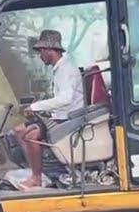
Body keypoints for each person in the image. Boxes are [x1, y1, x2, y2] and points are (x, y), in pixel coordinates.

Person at [12, 29, 85, 189]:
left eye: (41, 52)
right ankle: (35, 170)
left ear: (49, 50)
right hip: (59, 116)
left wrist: (35, 106)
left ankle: (36, 178)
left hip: (69, 120)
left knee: (30, 135)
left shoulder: (66, 70)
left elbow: (66, 99)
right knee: (18, 130)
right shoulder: (59, 69)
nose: (40, 56)